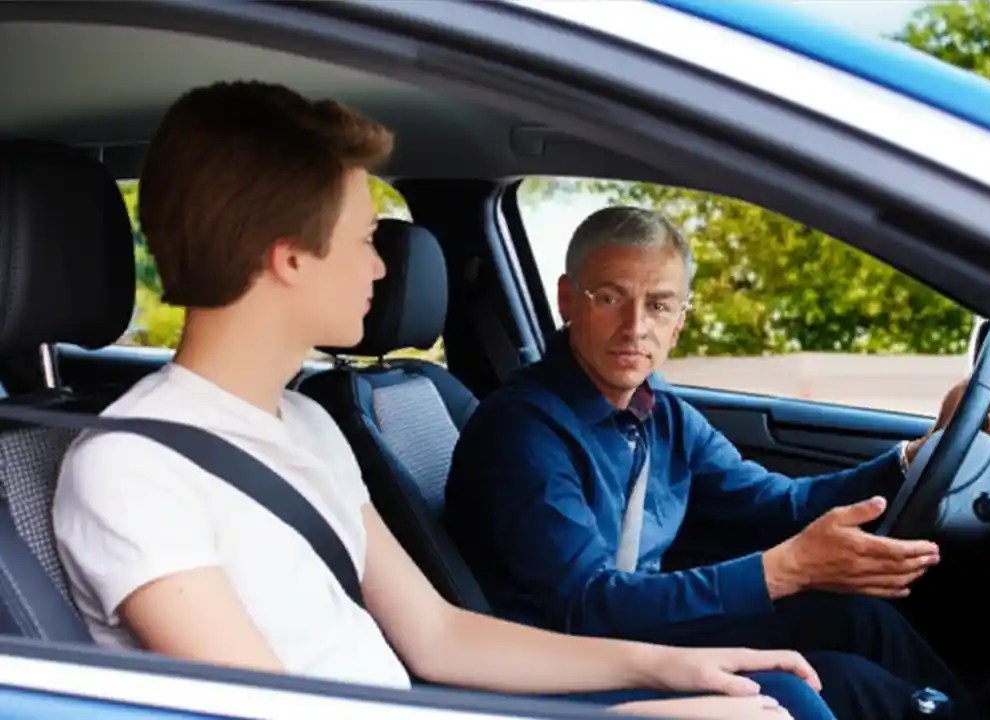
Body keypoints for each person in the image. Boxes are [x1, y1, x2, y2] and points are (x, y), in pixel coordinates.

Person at [50, 81, 837, 720]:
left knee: (763, 697)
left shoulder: (304, 424)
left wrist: (669, 666)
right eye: (365, 240)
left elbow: (438, 638)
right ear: (290, 260)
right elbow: (272, 711)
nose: (384, 271)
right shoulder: (133, 469)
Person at [446, 206, 990, 719]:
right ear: (568, 300)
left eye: (659, 305)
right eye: (611, 297)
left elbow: (780, 505)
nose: (636, 326)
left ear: (681, 319)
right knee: (831, 685)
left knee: (856, 619)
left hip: (636, 631)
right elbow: (585, 607)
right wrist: (782, 571)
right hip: (563, 670)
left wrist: (915, 455)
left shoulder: (661, 415)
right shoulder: (520, 433)